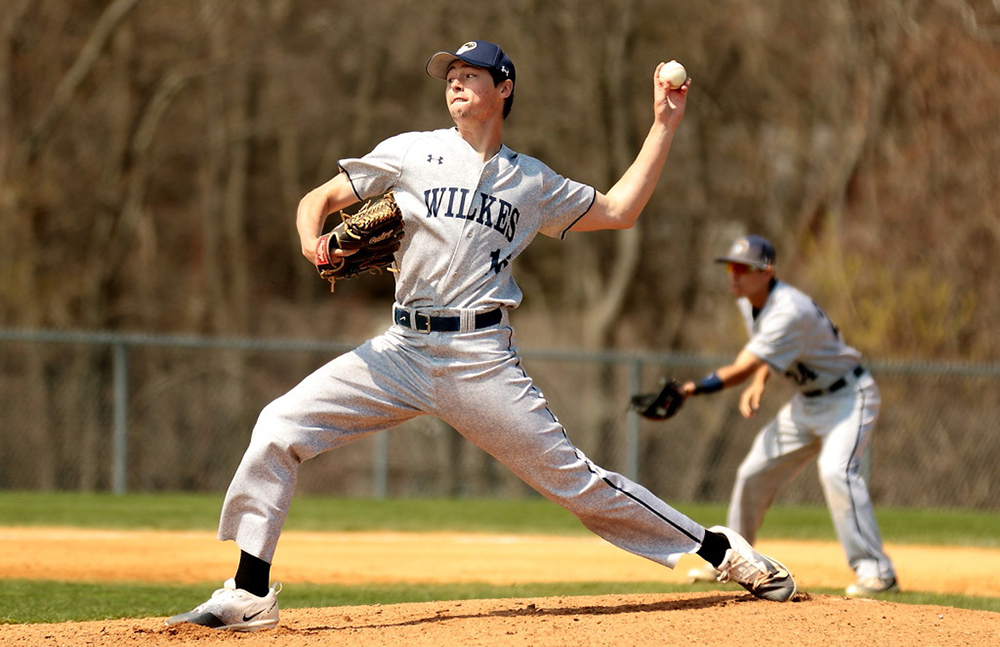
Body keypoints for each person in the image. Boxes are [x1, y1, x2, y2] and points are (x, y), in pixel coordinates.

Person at [165, 40, 796, 632]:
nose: (456, 85)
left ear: (505, 88)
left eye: (470, 76)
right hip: (400, 351)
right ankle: (249, 592)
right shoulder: (410, 151)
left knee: (576, 482)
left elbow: (621, 210)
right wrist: (311, 236)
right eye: (451, 77)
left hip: (480, 360)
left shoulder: (530, 181)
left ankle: (720, 550)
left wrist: (663, 125)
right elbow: (322, 196)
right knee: (279, 426)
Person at [680, 234, 898, 597]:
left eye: (743, 269)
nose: (734, 276)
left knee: (836, 472)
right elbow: (768, 352)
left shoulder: (788, 309)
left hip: (848, 398)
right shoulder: (751, 302)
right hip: (806, 402)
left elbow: (741, 366)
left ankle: (877, 572)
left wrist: (690, 389)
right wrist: (761, 380)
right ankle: (734, 559)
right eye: (731, 268)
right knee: (752, 472)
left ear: (767, 272)